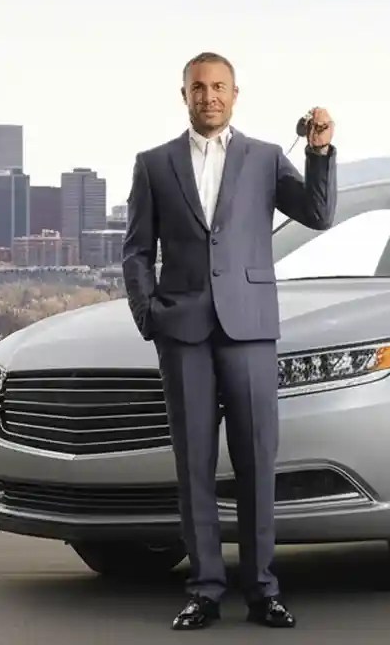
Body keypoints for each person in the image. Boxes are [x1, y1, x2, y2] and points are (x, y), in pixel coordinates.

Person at [121, 51, 336, 630]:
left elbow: (317, 214)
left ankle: (264, 589)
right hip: (183, 332)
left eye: (219, 87)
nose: (209, 96)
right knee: (193, 466)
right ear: (184, 95)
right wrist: (151, 316)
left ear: (235, 94)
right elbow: (136, 250)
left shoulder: (266, 158)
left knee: (256, 463)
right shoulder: (154, 164)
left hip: (249, 328)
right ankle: (205, 590)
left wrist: (318, 152)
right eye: (199, 88)